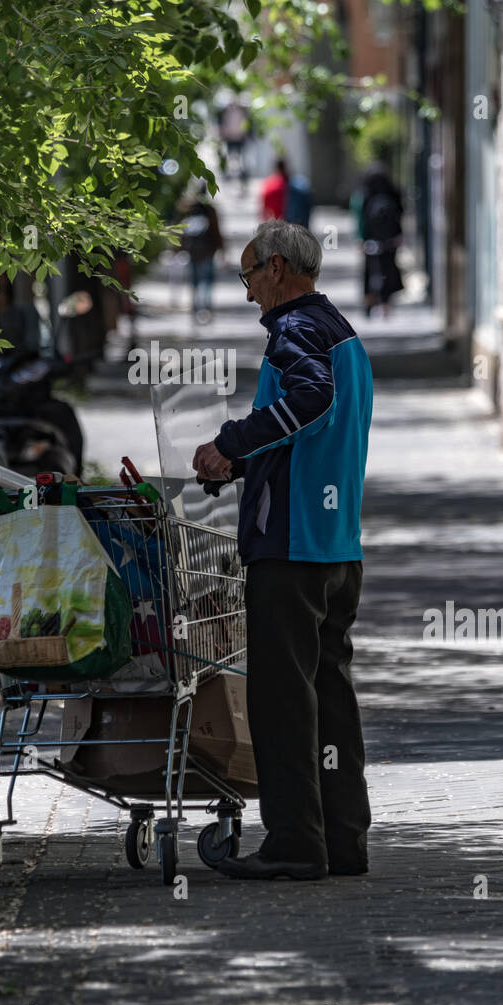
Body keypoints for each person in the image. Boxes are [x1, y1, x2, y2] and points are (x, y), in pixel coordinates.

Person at [192, 220, 373, 880]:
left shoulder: (296, 330)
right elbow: (309, 436)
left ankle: (296, 840)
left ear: (275, 268)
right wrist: (239, 467)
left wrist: (231, 442)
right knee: (329, 694)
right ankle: (343, 838)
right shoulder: (340, 332)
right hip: (336, 547)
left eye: (247, 277)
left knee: (281, 698)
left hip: (292, 547)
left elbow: (310, 399)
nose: (246, 295)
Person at [355, 164, 404, 317]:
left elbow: (360, 219)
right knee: (388, 269)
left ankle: (368, 303)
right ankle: (385, 305)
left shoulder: (365, 193)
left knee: (369, 270)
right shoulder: (393, 192)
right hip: (390, 240)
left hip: (371, 240)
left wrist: (361, 239)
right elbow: (400, 213)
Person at [179, 186, 223, 322]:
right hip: (208, 251)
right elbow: (216, 230)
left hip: (192, 251)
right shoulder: (210, 209)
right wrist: (220, 248)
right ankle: (206, 307)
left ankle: (195, 307)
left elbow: (180, 229)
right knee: (207, 281)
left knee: (195, 281)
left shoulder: (187, 208)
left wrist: (179, 248)